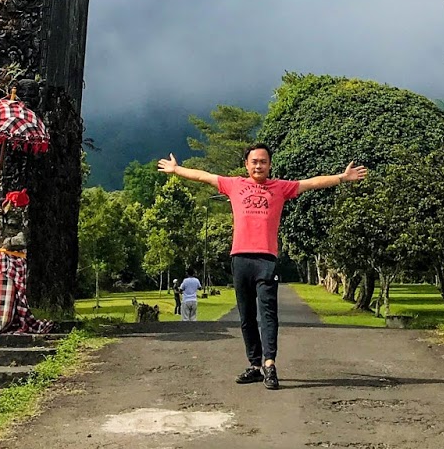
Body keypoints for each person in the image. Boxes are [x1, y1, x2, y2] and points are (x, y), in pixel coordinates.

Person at [156, 143, 367, 389]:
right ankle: (255, 366)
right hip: (240, 258)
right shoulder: (234, 184)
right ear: (246, 165)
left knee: (267, 314)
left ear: (269, 165)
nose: (259, 166)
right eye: (254, 161)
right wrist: (177, 170)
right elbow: (204, 176)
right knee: (246, 316)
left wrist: (342, 177)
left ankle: (269, 364)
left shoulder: (280, 187)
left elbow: (311, 183)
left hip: (266, 260)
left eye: (263, 161)